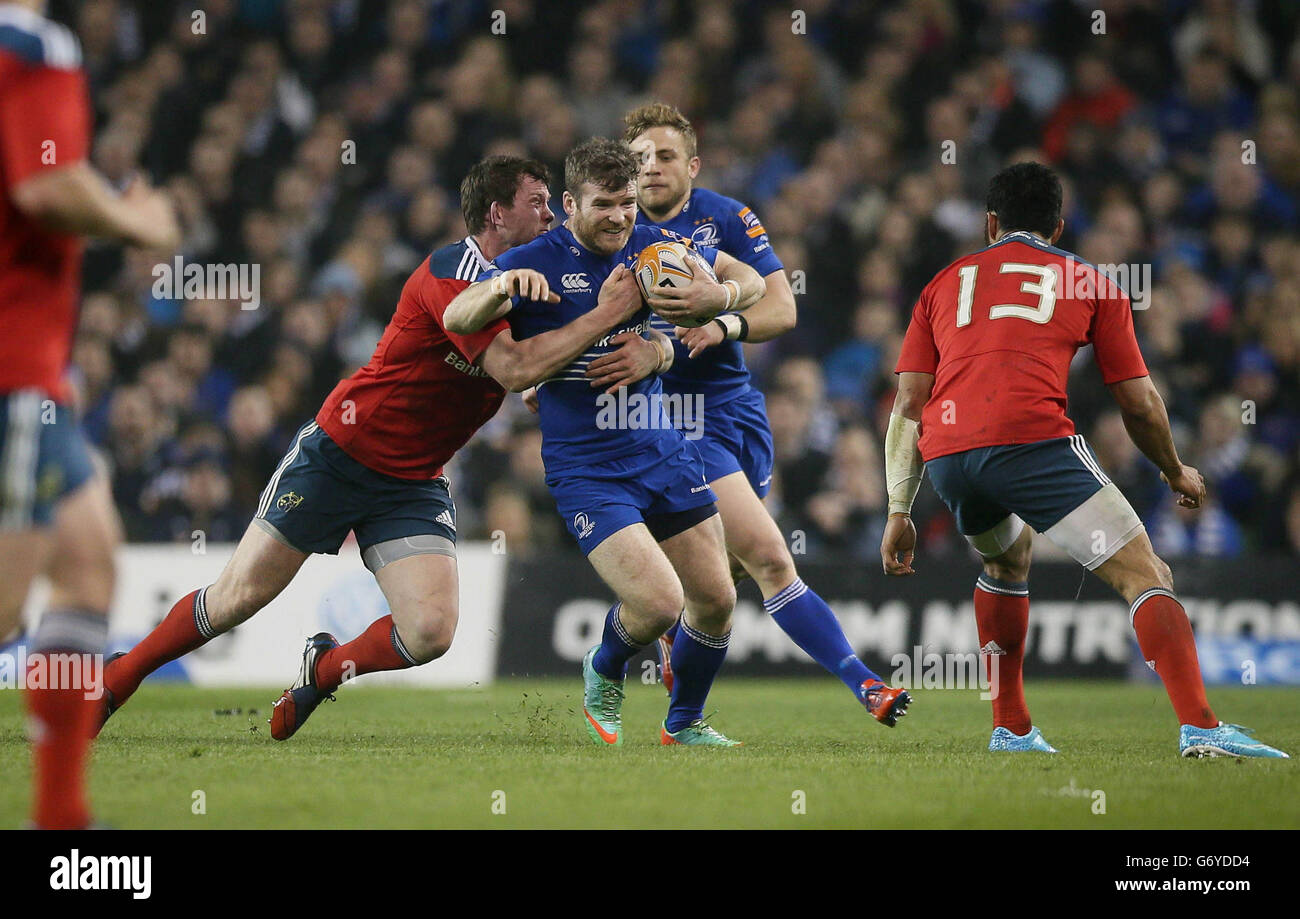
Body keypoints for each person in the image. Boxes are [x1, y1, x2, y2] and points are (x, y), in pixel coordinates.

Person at [99, 156, 651, 741]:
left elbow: (537, 367)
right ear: (497, 213)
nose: (549, 212)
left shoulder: (535, 283)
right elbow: (513, 367)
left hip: (413, 480)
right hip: (341, 453)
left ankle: (326, 668)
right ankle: (118, 679)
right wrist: (605, 315)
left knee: (431, 632)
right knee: (238, 598)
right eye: (537, 201)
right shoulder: (454, 269)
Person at [881, 161, 1287, 759]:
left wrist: (898, 508)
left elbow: (909, 404)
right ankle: (1200, 727)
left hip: (950, 454)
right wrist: (1174, 470)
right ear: (1060, 226)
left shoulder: (941, 284)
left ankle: (1011, 728)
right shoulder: (1088, 281)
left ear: (990, 223)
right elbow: (1140, 404)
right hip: (1030, 440)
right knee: (1146, 575)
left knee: (1006, 562)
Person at [445, 137, 766, 746]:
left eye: (627, 203)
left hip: (662, 449)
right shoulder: (534, 261)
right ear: (570, 204)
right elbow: (456, 317)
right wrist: (498, 287)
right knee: (658, 604)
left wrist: (695, 320)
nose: (619, 217)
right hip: (587, 467)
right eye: (604, 205)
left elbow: (750, 282)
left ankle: (685, 724)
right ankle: (604, 666)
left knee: (718, 597)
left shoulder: (654, 249)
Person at [623, 101, 911, 727]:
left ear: (692, 165)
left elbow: (782, 309)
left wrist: (722, 317)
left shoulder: (727, 219)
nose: (650, 169)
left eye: (665, 156)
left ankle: (678, 708)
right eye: (639, 159)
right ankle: (865, 684)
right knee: (771, 560)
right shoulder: (610, 232)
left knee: (714, 583)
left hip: (737, 414)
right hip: (672, 421)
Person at [1, 0, 181, 828]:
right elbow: (43, 183)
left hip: (37, 376)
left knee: (88, 562)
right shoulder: (30, 40)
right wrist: (134, 218)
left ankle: (61, 823)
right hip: (12, 364)